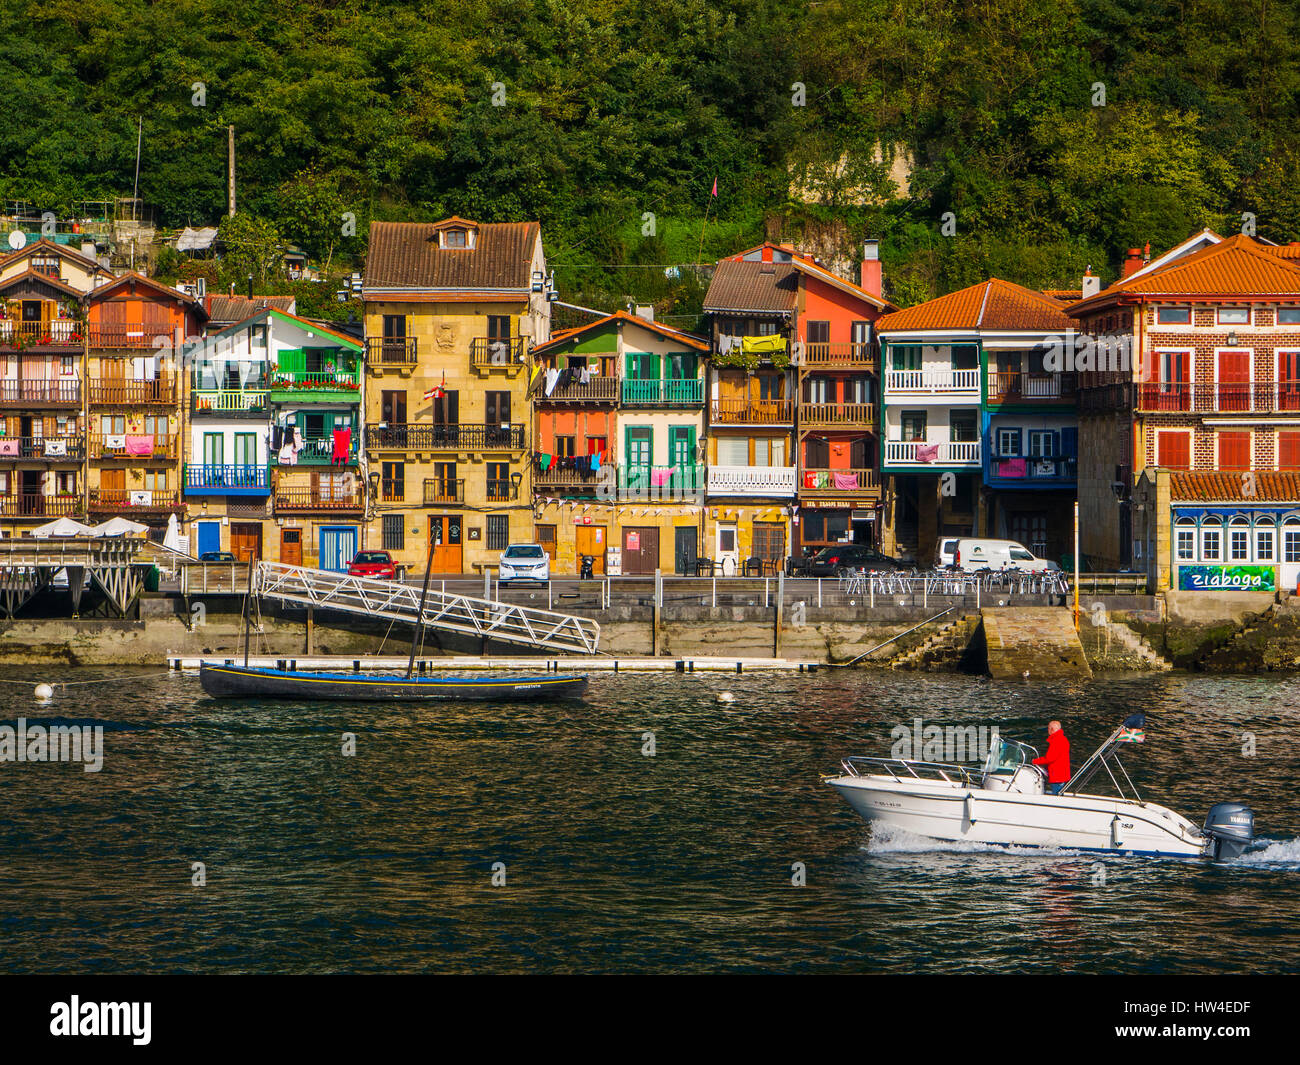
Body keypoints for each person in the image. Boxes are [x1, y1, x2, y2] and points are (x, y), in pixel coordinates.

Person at [1032, 720, 1071, 795]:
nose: (1047, 731)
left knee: (1056, 794)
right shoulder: (1063, 739)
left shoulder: (1056, 741)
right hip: (1062, 774)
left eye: (1048, 728)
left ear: (1051, 729)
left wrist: (1035, 761)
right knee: (1059, 792)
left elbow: (1050, 758)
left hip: (1057, 775)